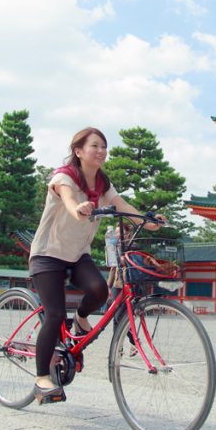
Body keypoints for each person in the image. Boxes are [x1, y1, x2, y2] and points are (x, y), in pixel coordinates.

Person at [29, 127, 164, 404]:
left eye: (104, 146)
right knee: (54, 315)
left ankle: (79, 319)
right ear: (78, 151)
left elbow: (121, 204)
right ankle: (42, 378)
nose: (101, 151)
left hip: (77, 255)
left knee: (99, 290)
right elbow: (66, 197)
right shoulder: (65, 175)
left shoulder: (103, 184)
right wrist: (76, 208)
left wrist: (148, 222)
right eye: (94, 146)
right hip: (47, 255)